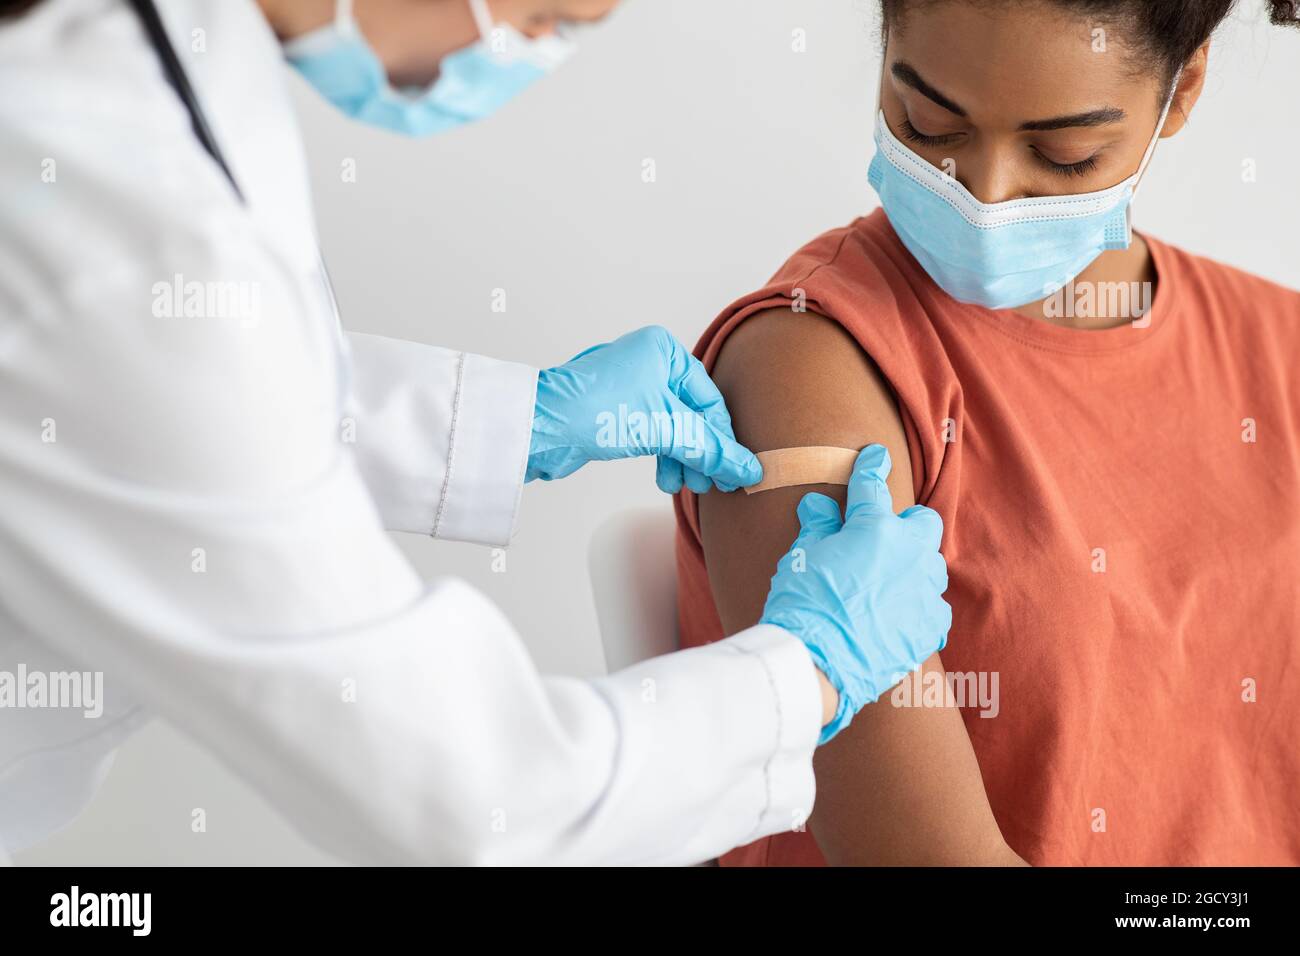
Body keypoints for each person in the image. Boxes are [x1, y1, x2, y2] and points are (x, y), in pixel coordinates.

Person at [0, 0, 951, 864]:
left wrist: (509, 422)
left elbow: (167, 403)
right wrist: (810, 670)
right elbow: (480, 807)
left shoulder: (165, 54)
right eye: (544, 16)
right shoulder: (104, 215)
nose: (531, 50)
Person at [679, 0, 1300, 866]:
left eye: (1063, 153)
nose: (986, 194)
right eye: (928, 123)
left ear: (1182, 87)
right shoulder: (814, 365)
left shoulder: (1281, 351)